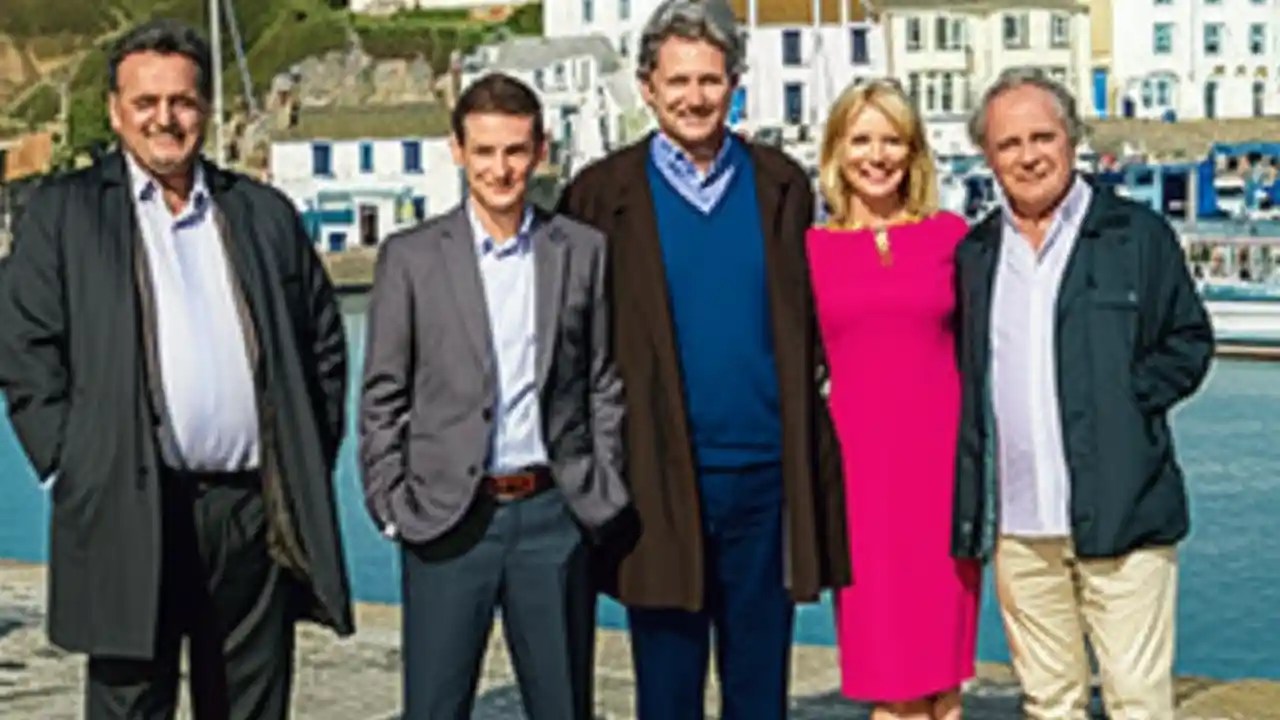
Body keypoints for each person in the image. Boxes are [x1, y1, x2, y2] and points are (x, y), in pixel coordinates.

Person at [0, 18, 354, 719]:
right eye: (146, 102)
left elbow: (323, 345)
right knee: (131, 701)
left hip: (251, 512)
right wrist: (74, 460)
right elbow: (23, 346)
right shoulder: (65, 213)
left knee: (252, 702)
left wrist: (304, 450)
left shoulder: (261, 213)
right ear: (115, 111)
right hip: (128, 503)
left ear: (205, 108)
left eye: (183, 101)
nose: (166, 119)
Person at [556, 1, 849, 717]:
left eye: (711, 81)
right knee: (667, 690)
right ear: (648, 86)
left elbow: (810, 319)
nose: (695, 97)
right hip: (656, 482)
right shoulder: (600, 194)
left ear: (736, 83)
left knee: (759, 691)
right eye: (678, 81)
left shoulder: (781, 185)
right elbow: (565, 341)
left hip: (765, 481)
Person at [358, 72, 629, 720]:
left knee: (563, 707)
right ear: (457, 151)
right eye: (484, 151)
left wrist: (601, 488)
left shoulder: (582, 252)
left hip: (551, 517)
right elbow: (383, 398)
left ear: (538, 151)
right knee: (435, 706)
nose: (500, 169)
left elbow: (602, 380)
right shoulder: (411, 259)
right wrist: (392, 506)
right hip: (447, 522)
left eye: (513, 150)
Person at [952, 67, 1214, 720]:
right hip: (1017, 528)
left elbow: (1188, 341)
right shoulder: (976, 254)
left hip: (1127, 516)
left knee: (1137, 701)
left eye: (1042, 137)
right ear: (988, 155)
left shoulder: (1136, 235)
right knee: (1050, 701)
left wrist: (1126, 404)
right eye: (1009, 144)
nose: (1028, 156)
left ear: (1071, 140)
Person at [807, 80, 980, 720]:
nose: (876, 156)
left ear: (913, 153)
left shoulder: (951, 238)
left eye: (892, 140)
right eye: (861, 140)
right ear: (836, 150)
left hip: (943, 477)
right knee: (896, 688)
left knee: (944, 686)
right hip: (862, 483)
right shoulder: (810, 250)